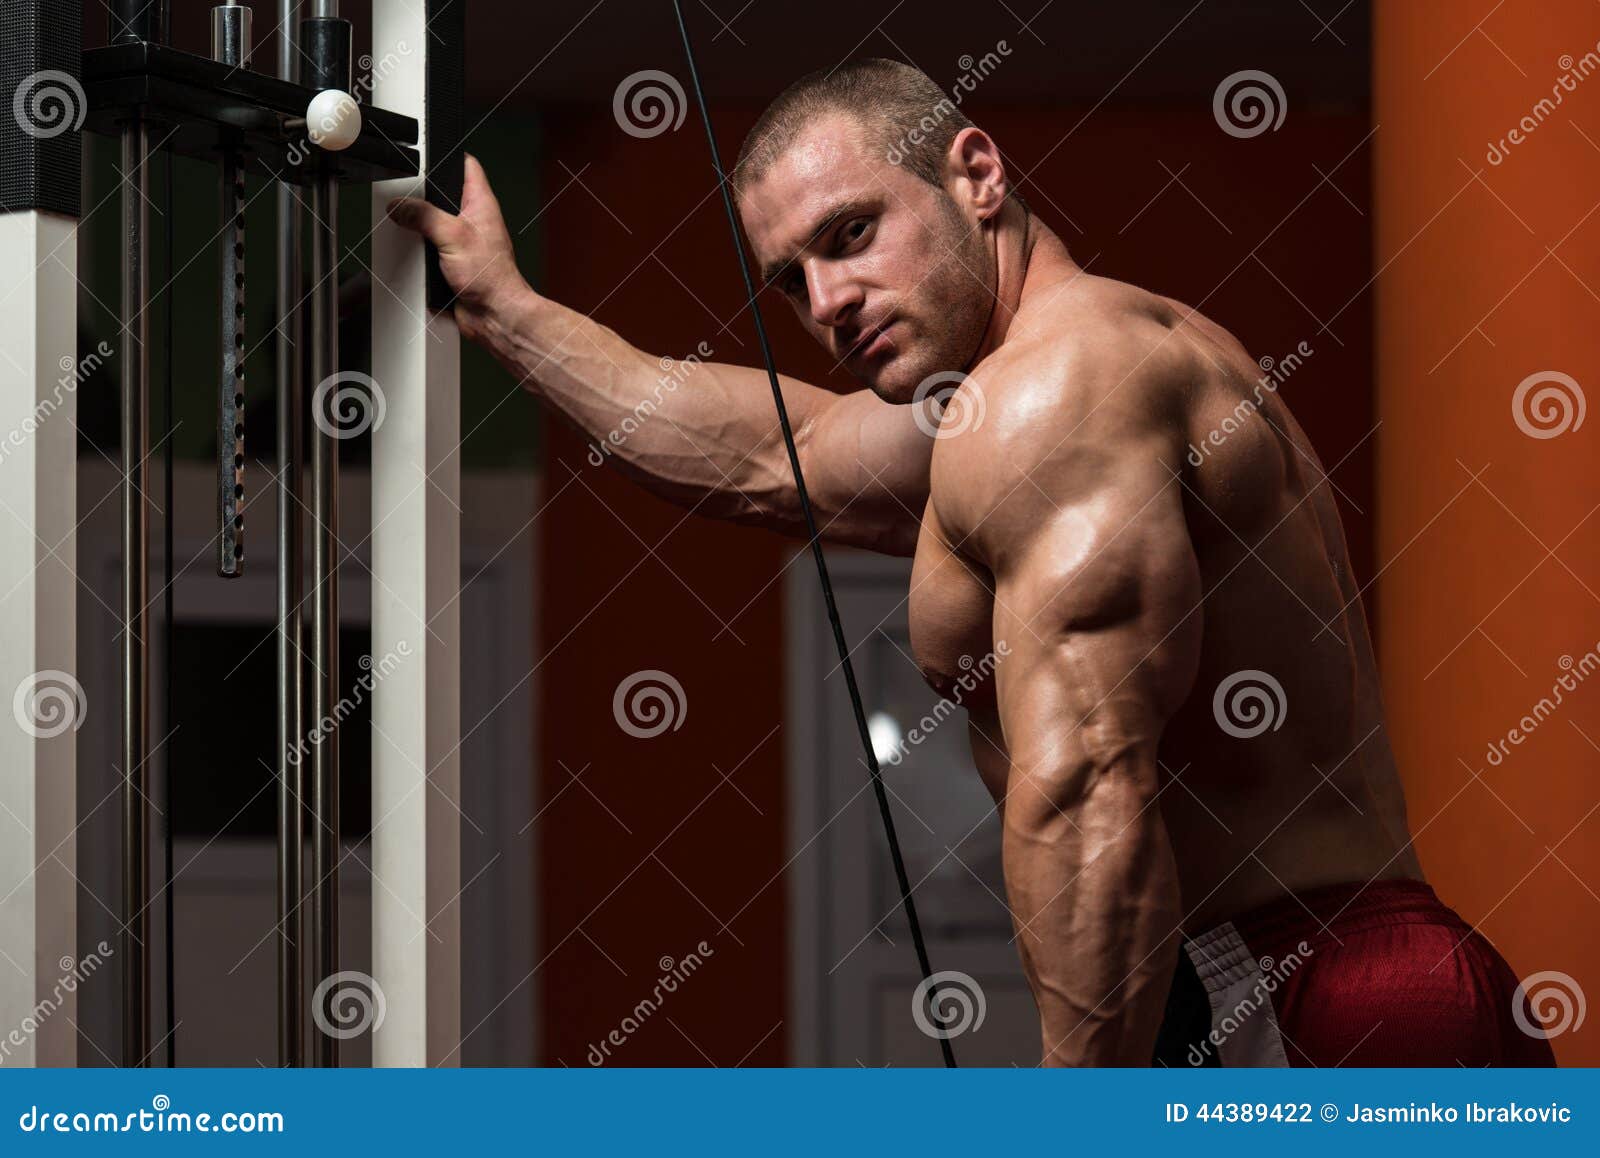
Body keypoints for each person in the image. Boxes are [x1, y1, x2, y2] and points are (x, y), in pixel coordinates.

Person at [389, 59, 1553, 1067]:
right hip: (1283, 988)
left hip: (1324, 1002)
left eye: (850, 234)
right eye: (790, 280)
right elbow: (763, 454)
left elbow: (1088, 778)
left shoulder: (1064, 385)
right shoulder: (1015, 402)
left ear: (977, 175)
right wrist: (505, 310)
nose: (827, 301)